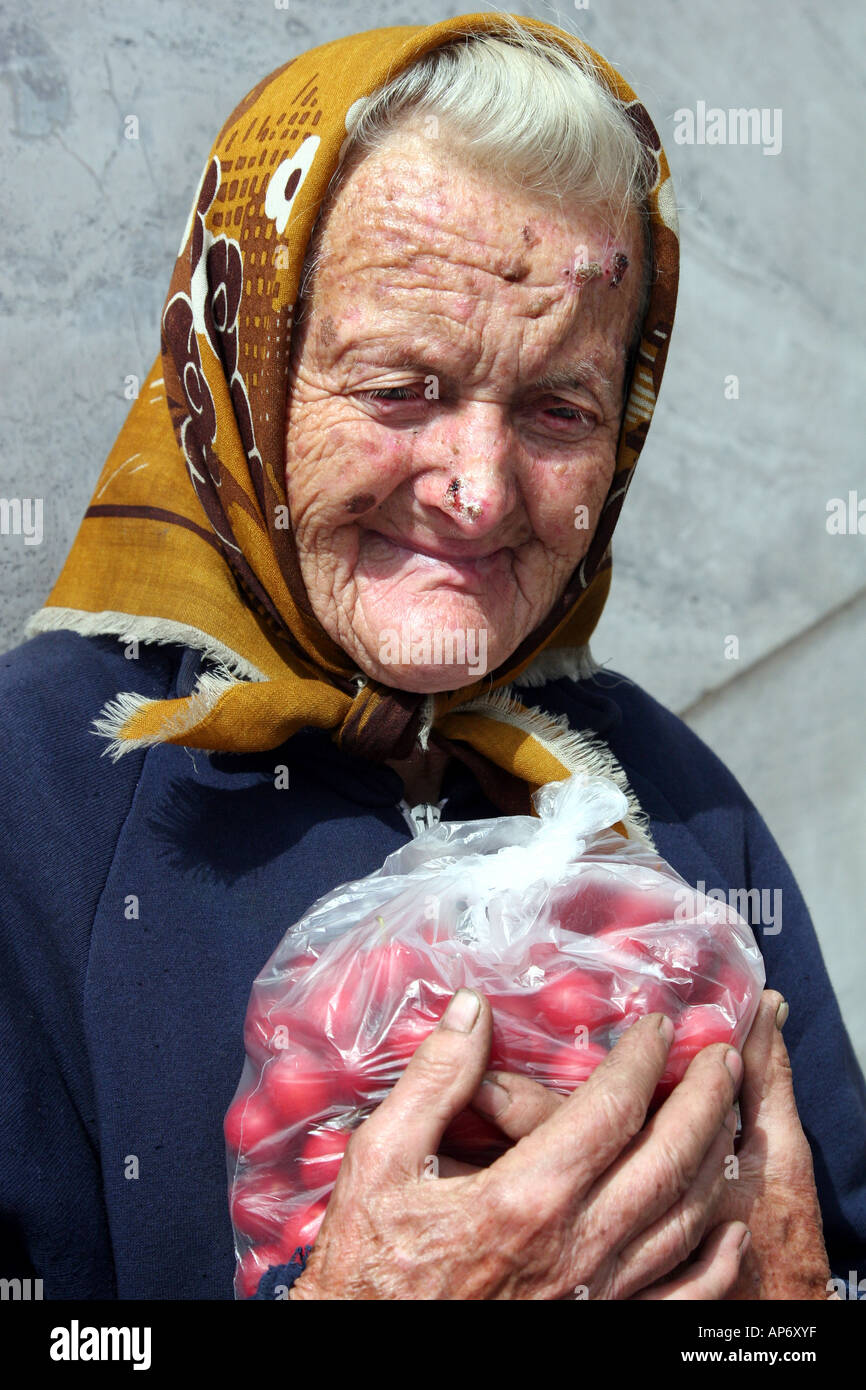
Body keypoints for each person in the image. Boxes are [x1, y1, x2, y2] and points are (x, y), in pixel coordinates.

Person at [1, 13, 862, 1302]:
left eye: (558, 407)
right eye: (402, 388)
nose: (478, 488)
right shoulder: (36, 799)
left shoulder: (664, 799)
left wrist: (783, 1321)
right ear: (243, 370)